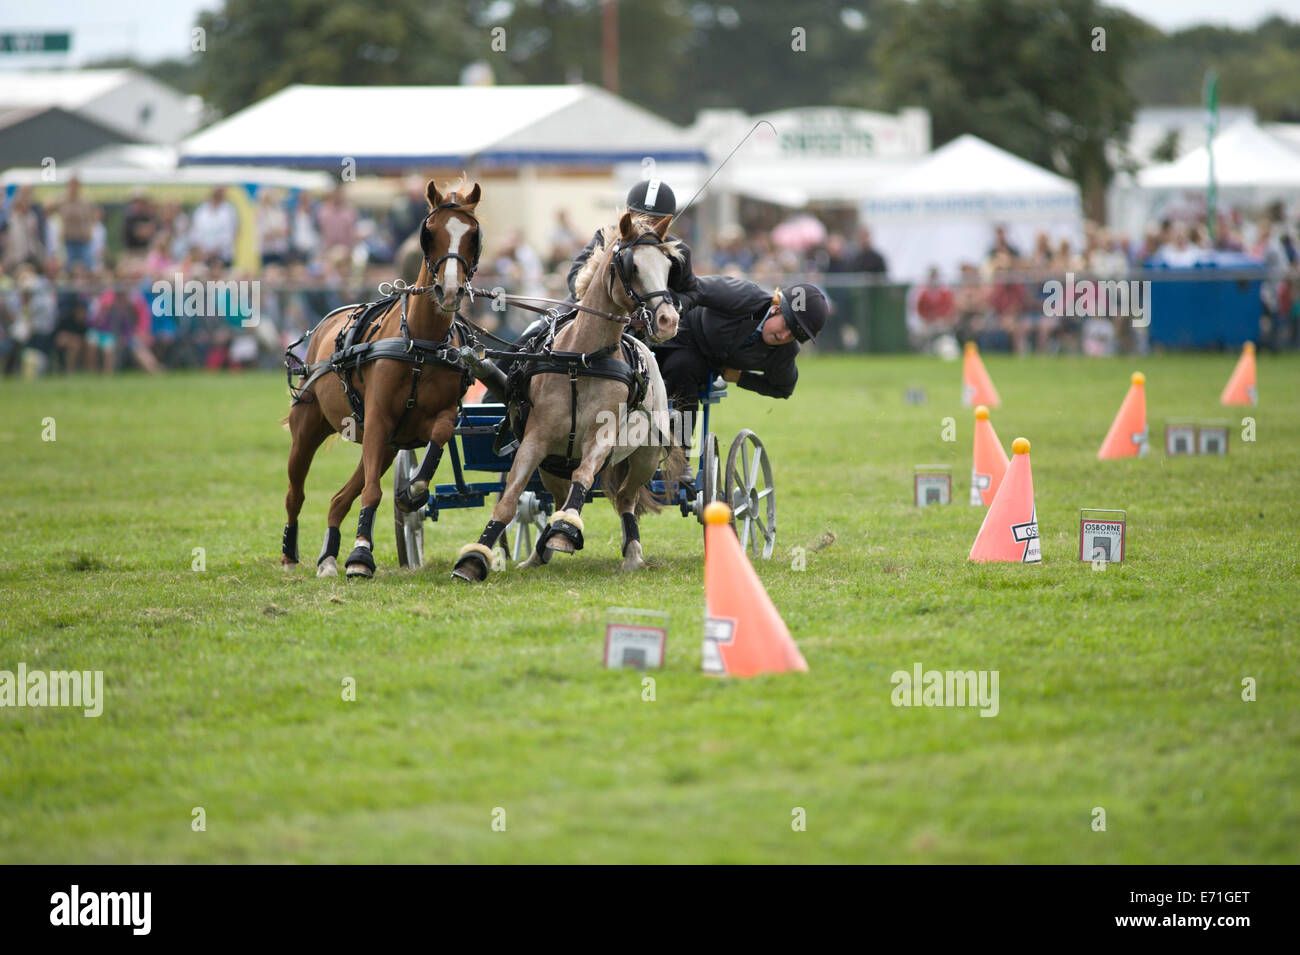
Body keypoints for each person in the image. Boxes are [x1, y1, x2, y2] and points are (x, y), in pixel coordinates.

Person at [653, 277, 828, 483]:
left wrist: (740, 378)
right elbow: (696, 289)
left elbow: (783, 388)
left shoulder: (784, 353)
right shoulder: (745, 296)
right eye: (786, 325)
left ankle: (678, 458)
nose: (784, 335)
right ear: (776, 308)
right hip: (670, 329)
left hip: (695, 362)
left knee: (684, 366)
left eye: (793, 335)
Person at [566, 179, 700, 311]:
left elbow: (692, 292)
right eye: (641, 217)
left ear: (667, 222)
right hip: (600, 311)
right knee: (550, 322)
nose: (646, 225)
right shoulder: (604, 236)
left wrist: (669, 302)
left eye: (655, 221)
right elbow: (574, 275)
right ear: (628, 214)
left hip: (655, 320)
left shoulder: (680, 252)